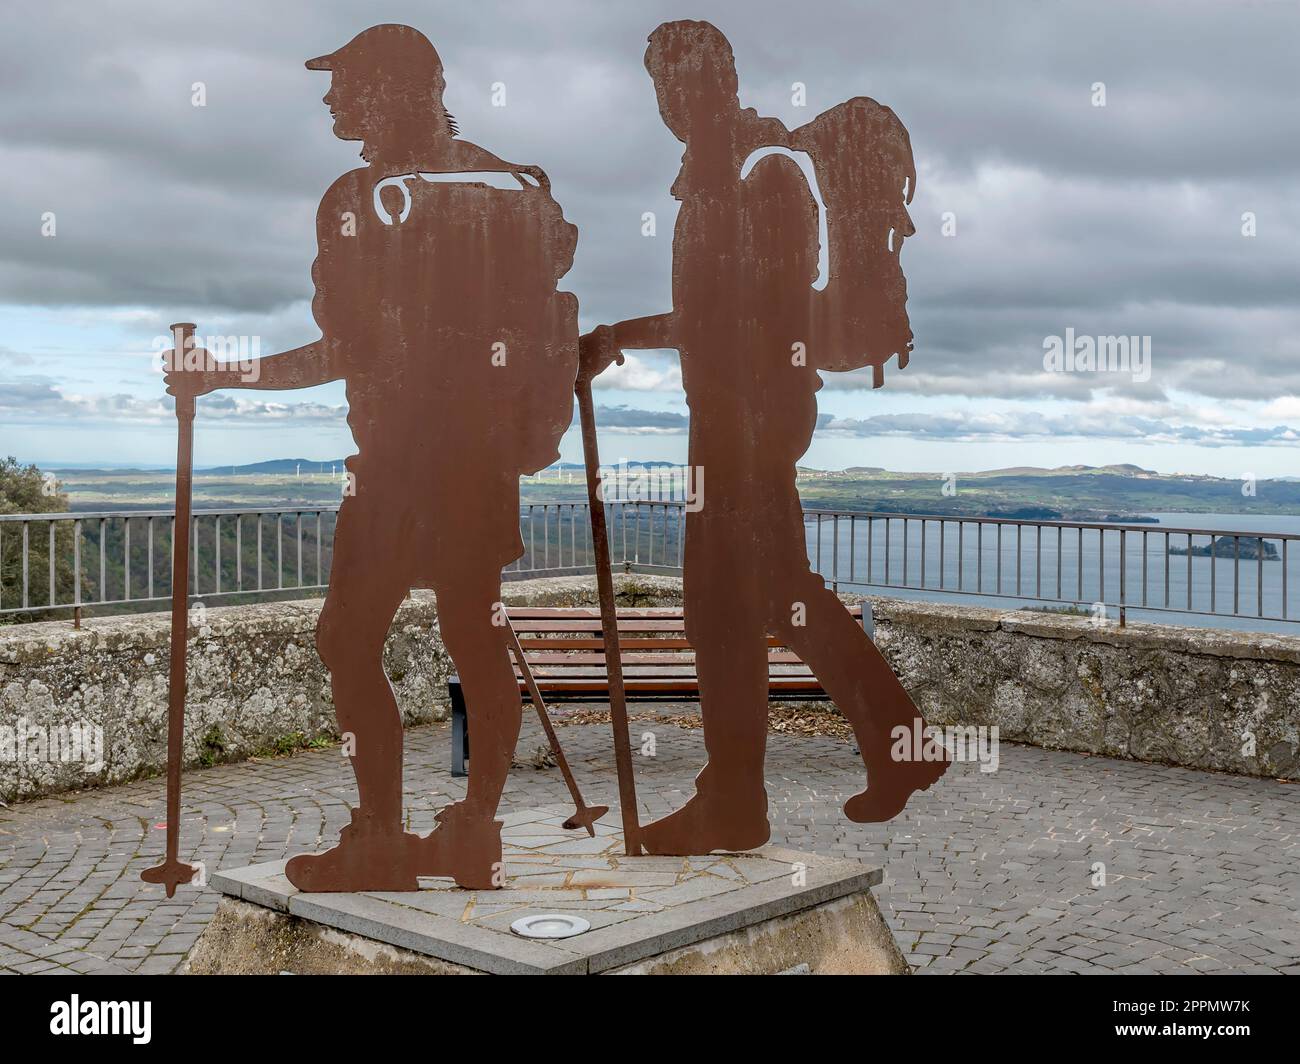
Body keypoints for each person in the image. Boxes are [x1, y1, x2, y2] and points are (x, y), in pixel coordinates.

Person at [165, 24, 578, 889]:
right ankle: (475, 832)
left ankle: (381, 838)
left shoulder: (359, 196)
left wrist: (223, 372)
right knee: (475, 636)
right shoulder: (513, 186)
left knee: (347, 636)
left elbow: (343, 350)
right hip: (484, 463)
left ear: (397, 89)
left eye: (347, 84)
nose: (331, 100)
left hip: (396, 464)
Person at [581, 20, 946, 855]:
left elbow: (748, 314)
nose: (674, 100)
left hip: (751, 419)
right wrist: (628, 339)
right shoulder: (716, 175)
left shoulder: (762, 170)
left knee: (744, 600)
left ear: (724, 77)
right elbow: (721, 316)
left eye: (687, 79)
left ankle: (762, 787)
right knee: (744, 604)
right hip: (728, 416)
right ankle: (759, 789)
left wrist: (619, 337)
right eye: (662, 86)